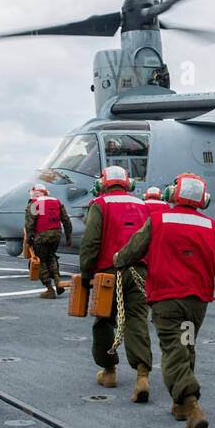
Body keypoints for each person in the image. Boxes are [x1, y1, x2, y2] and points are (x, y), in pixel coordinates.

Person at [114, 173, 215, 428]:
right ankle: (179, 405)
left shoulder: (159, 220)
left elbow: (133, 251)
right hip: (197, 302)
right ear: (203, 199)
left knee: (173, 351)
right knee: (187, 344)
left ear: (172, 195)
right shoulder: (213, 227)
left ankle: (191, 406)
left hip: (167, 299)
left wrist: (118, 260)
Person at [77, 165, 153, 401]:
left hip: (109, 274)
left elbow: (90, 242)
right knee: (137, 320)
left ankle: (109, 371)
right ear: (127, 183)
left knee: (103, 320)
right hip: (140, 271)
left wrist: (87, 273)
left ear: (104, 184)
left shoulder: (100, 204)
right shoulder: (143, 205)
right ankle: (142, 376)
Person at [24, 183, 72, 298]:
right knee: (51, 256)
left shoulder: (35, 202)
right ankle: (58, 282)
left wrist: (29, 239)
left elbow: (30, 223)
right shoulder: (56, 201)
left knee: (41, 260)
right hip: (56, 234)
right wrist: (68, 237)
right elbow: (66, 220)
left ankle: (50, 289)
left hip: (41, 235)